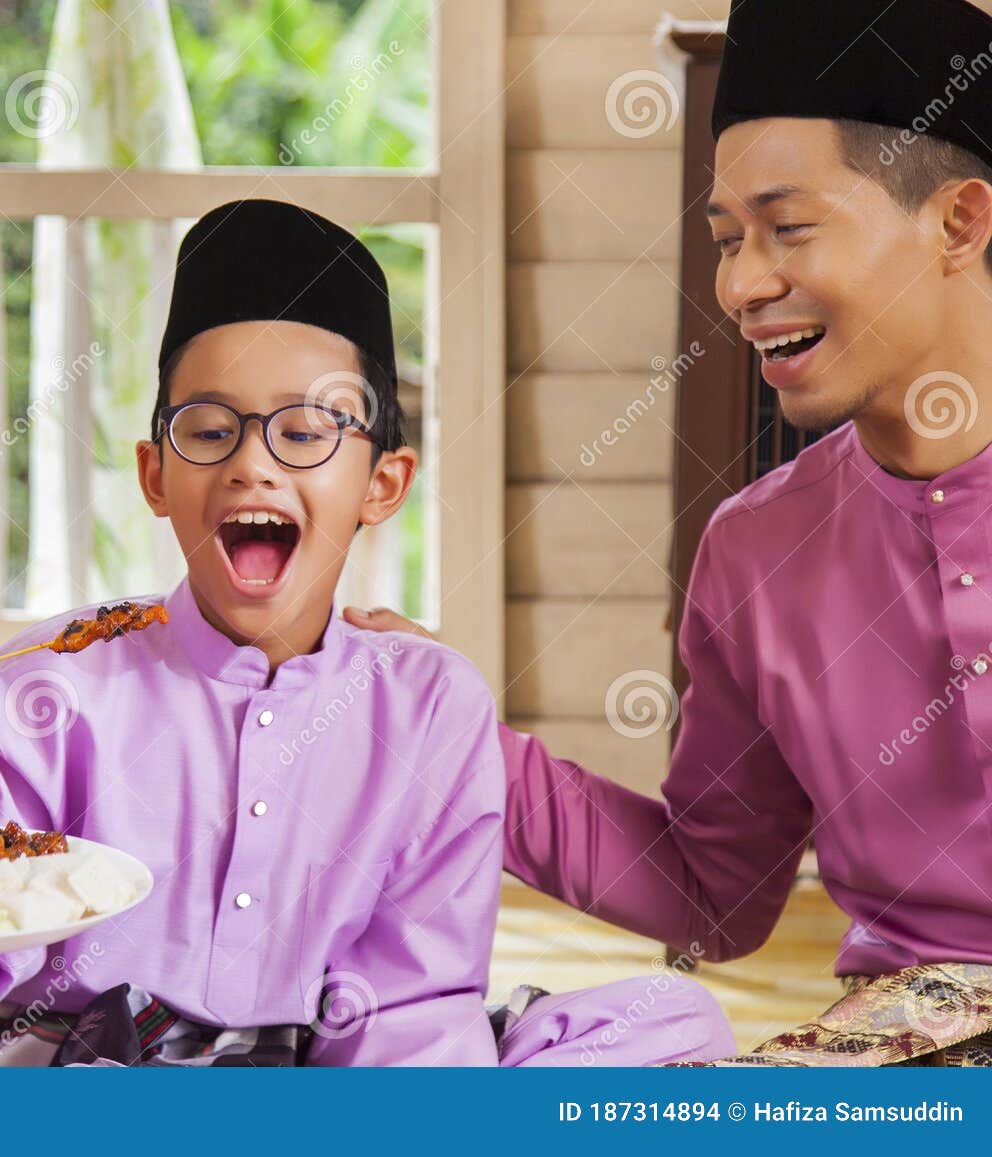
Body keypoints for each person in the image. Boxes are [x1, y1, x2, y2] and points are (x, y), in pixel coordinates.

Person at [0, 199, 735, 1066]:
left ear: (383, 484)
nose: (251, 463)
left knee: (675, 1016)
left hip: (333, 1086)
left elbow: (414, 1006)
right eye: (208, 428)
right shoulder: (47, 688)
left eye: (305, 431)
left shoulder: (431, 703)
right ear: (156, 475)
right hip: (92, 1079)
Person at [348, 0, 992, 1067]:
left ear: (958, 224)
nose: (741, 284)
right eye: (727, 239)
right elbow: (713, 889)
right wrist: (452, 732)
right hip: (899, 1056)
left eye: (788, 228)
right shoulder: (758, 548)